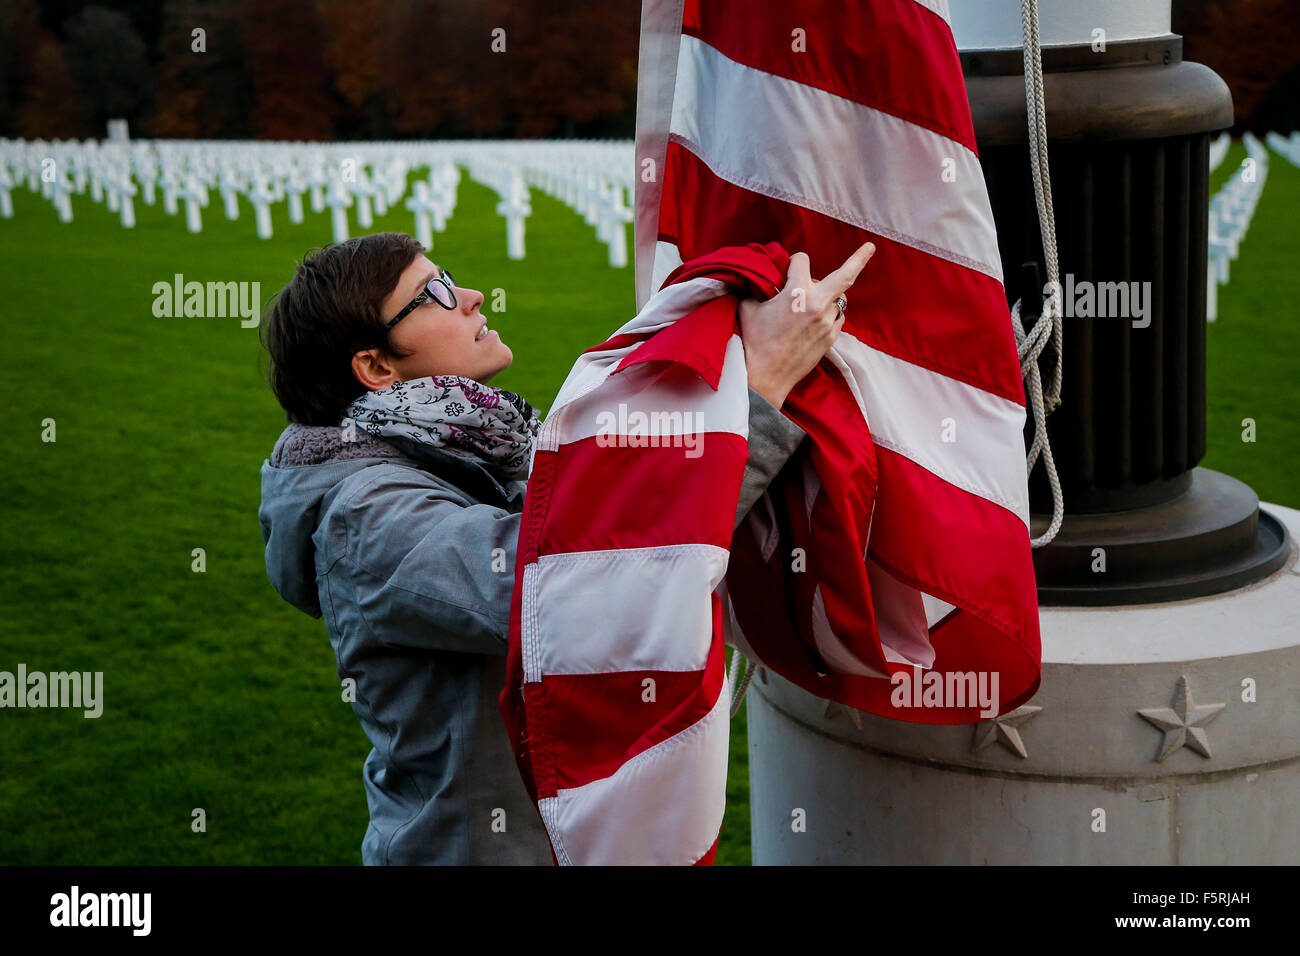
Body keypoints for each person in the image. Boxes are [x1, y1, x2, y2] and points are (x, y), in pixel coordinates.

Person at [257, 231, 875, 864]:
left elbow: (597, 525)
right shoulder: (364, 519)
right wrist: (751, 399)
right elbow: (566, 587)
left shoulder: (471, 447)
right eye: (433, 294)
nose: (469, 296)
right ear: (379, 368)